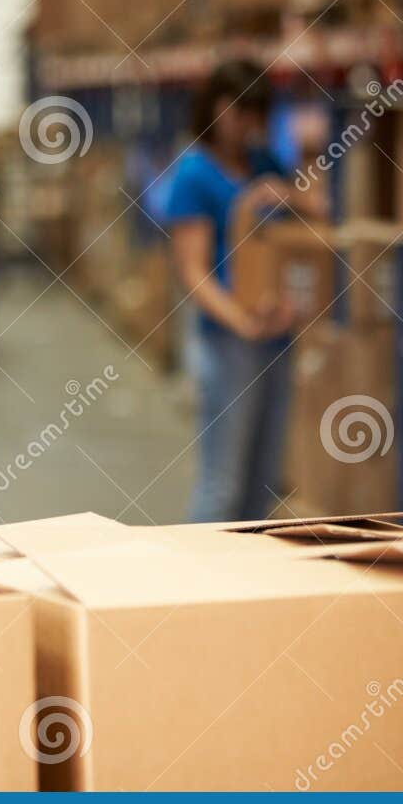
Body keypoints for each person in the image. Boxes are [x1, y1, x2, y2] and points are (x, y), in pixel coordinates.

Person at [150, 60, 325, 522]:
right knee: (223, 482)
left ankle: (243, 585)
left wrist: (291, 187)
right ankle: (200, 586)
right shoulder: (195, 174)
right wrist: (241, 322)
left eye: (255, 114)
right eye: (238, 112)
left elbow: (318, 215)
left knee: (263, 482)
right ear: (216, 108)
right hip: (229, 342)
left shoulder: (264, 163)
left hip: (276, 335)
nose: (246, 124)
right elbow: (193, 271)